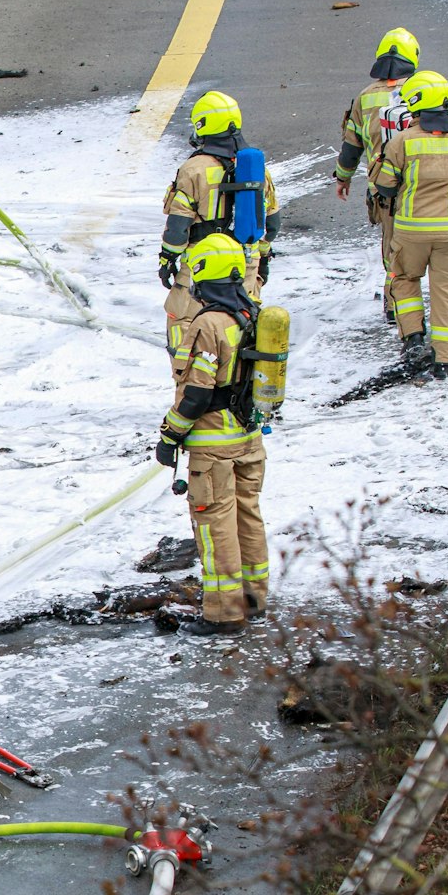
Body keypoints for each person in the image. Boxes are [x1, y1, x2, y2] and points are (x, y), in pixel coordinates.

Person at [156, 234, 269, 637]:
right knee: (247, 518)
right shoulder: (250, 312)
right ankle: (254, 599)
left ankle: (223, 614)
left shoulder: (208, 323)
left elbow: (197, 392)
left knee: (215, 525)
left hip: (214, 447)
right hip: (249, 439)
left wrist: (169, 436)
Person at [371, 70, 448, 378]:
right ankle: (446, 359)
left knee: (405, 279)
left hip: (411, 232)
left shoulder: (402, 141)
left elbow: (384, 186)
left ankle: (413, 339)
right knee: (447, 291)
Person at [159, 89, 278, 354]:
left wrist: (167, 259)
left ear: (204, 125)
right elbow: (273, 222)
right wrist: (263, 259)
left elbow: (178, 227)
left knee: (183, 325)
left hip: (203, 261)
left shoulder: (194, 169)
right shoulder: (257, 169)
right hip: (245, 261)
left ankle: (191, 384)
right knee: (241, 324)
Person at [333, 28, 421, 324]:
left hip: (383, 188)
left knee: (393, 247)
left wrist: (343, 178)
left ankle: (395, 303)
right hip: (423, 184)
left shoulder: (365, 98)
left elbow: (351, 146)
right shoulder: (425, 92)